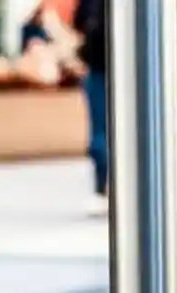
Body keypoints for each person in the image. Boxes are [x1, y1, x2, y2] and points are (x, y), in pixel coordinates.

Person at [74, 0, 107, 216]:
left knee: (100, 134)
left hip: (99, 69)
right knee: (101, 135)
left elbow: (79, 24)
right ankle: (102, 188)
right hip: (101, 70)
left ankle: (102, 188)